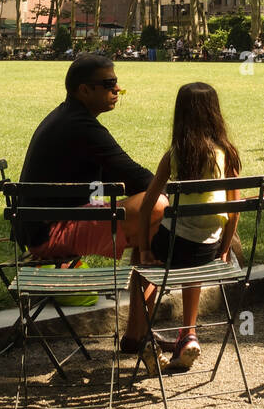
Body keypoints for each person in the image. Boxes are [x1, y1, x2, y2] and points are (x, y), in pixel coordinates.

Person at [18, 52, 167, 366]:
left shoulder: (70, 118)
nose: (116, 90)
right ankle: (138, 333)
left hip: (52, 222)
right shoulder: (80, 126)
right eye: (108, 84)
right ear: (83, 90)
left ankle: (138, 333)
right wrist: (184, 197)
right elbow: (136, 176)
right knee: (159, 209)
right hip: (50, 235)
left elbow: (124, 178)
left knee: (152, 217)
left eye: (116, 82)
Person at [137, 83, 240, 371]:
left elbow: (147, 207)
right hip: (207, 250)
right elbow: (235, 211)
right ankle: (188, 332)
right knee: (192, 268)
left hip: (172, 246)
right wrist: (223, 248)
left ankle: (147, 338)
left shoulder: (175, 155)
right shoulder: (227, 153)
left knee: (141, 269)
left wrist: (145, 249)